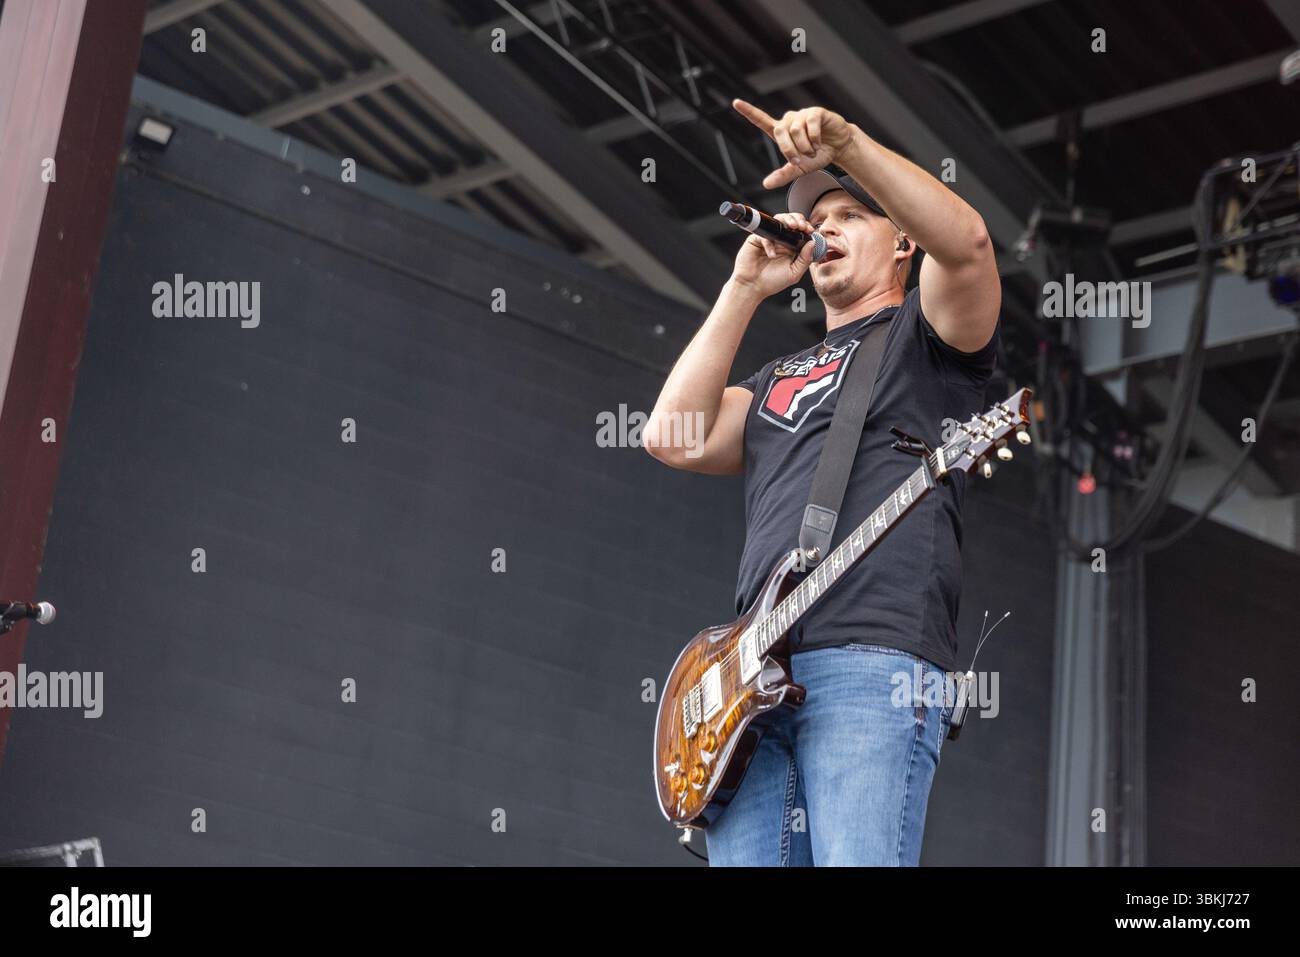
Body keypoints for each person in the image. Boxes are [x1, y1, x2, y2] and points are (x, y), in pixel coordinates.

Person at [643, 101, 1001, 866]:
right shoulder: (775, 378)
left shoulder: (927, 340)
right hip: (751, 681)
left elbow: (969, 245)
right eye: (818, 218)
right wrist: (745, 287)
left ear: (902, 241)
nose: (825, 229)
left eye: (851, 216)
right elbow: (671, 435)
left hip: (873, 659)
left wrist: (848, 146)